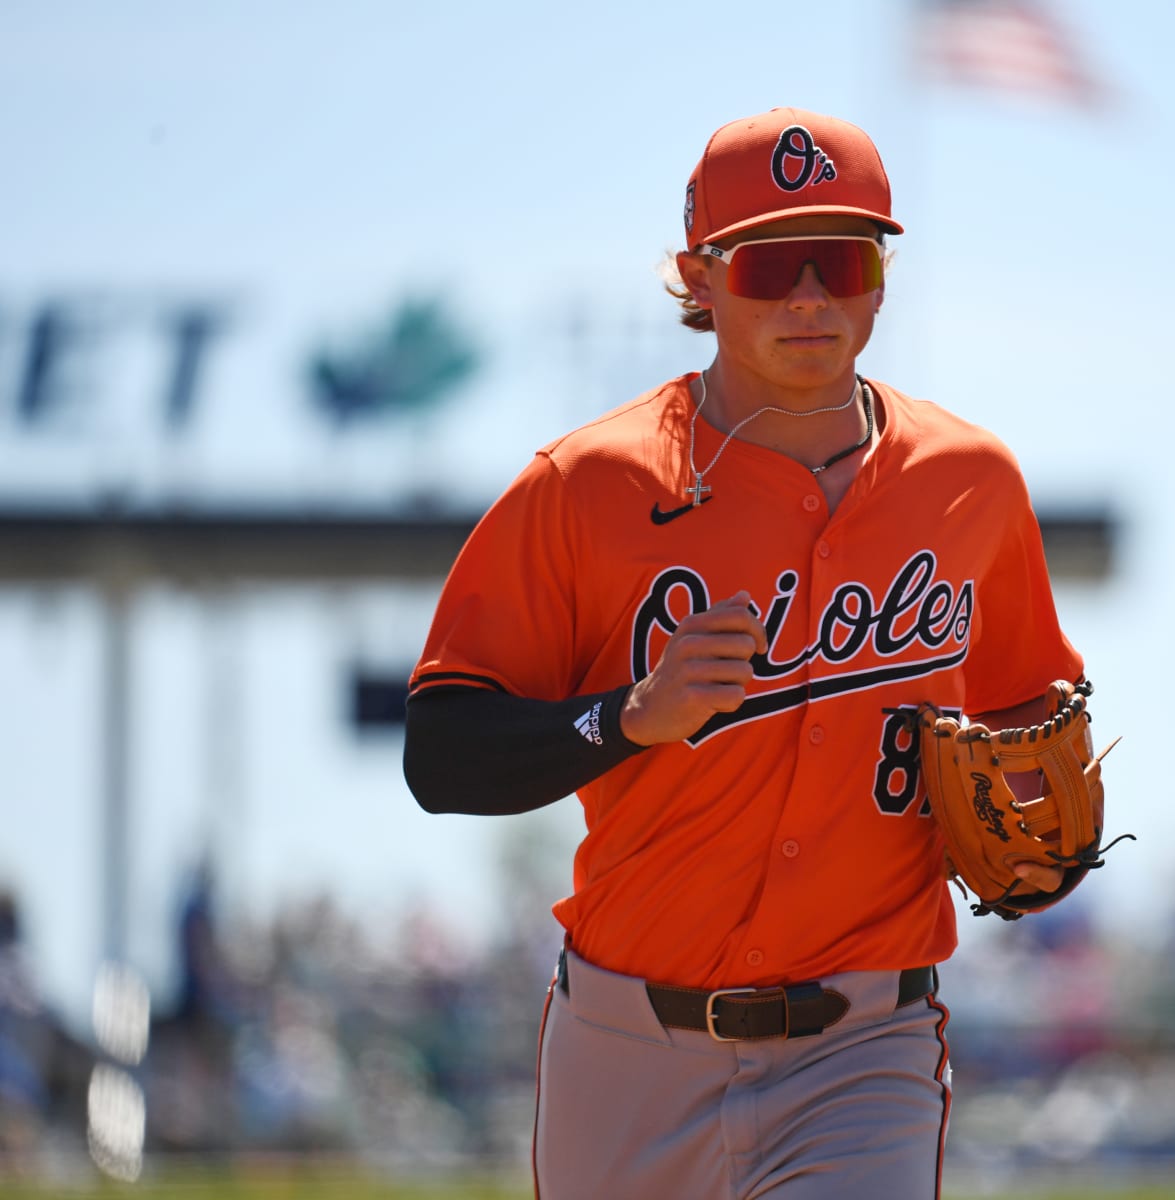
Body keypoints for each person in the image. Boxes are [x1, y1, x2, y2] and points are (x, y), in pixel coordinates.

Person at [404, 107, 1095, 1199]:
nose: (812, 296)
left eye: (844, 257)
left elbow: (1029, 711)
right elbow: (441, 753)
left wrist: (1031, 826)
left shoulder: (973, 485)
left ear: (880, 276)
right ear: (700, 277)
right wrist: (626, 716)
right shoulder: (589, 486)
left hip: (861, 1049)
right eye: (773, 263)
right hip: (625, 1050)